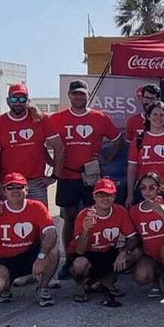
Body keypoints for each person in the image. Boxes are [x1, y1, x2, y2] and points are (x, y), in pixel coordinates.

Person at [50, 79, 121, 267]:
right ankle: (69, 259)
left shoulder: (99, 117)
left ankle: (92, 256)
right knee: (69, 218)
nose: (79, 97)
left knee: (94, 216)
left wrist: (107, 158)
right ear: (69, 95)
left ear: (88, 95)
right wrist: (52, 164)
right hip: (67, 175)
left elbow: (118, 139)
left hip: (91, 177)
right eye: (75, 93)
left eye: (82, 93)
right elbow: (41, 143)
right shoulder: (56, 118)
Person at [0, 172, 60, 306]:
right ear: (4, 192)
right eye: (10, 187)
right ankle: (6, 289)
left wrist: (41, 256)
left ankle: (43, 288)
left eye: (19, 187)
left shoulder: (37, 206)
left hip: (30, 254)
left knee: (53, 251)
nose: (15, 191)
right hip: (5, 259)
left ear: (27, 190)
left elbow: (51, 232)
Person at [0, 83, 63, 205]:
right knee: (11, 217)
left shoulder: (40, 119)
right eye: (14, 99)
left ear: (28, 101)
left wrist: (54, 176)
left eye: (22, 99)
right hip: (9, 184)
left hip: (36, 183)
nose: (18, 102)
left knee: (39, 216)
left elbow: (59, 147)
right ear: (7, 101)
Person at [69, 178, 138, 307]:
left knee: (135, 252)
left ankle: (108, 281)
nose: (105, 199)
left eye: (109, 195)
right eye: (101, 195)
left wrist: (124, 251)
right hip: (87, 254)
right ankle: (81, 285)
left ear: (115, 196)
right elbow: (79, 250)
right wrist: (85, 230)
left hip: (107, 251)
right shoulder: (84, 214)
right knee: (79, 264)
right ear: (94, 196)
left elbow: (133, 238)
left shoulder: (120, 211)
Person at [130, 172, 164, 298]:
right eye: (143, 188)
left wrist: (162, 213)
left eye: (152, 188)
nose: (147, 191)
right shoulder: (134, 210)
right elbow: (134, 237)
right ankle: (156, 279)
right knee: (141, 276)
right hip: (151, 255)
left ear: (158, 189)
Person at [109, 84, 163, 186]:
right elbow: (130, 152)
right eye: (146, 98)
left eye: (153, 99)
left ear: (158, 100)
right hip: (140, 176)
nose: (149, 102)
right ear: (141, 98)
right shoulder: (132, 122)